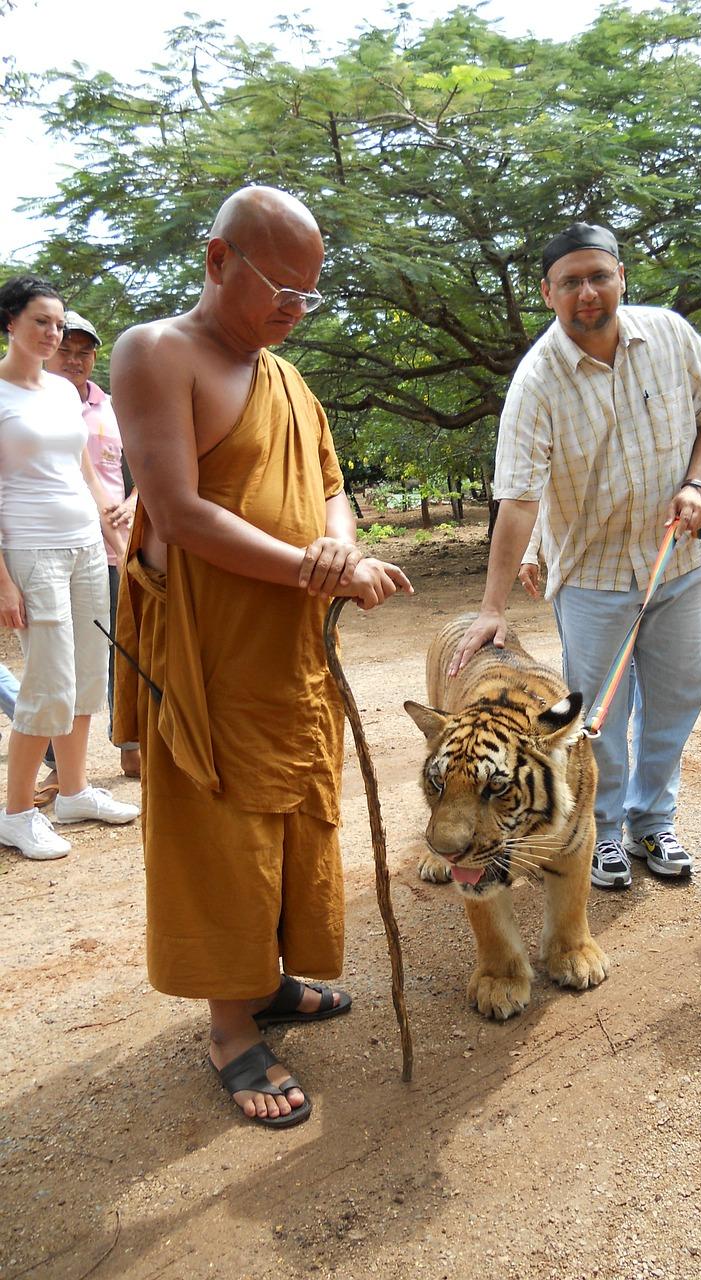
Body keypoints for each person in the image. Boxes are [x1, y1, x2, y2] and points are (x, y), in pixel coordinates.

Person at [110, 185, 413, 1129]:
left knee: (292, 811)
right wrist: (314, 573)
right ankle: (230, 1027)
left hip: (288, 647)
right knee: (225, 823)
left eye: (309, 293)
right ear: (216, 260)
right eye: (280, 284)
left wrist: (339, 547)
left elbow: (331, 489)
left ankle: (271, 979)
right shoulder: (157, 353)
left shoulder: (289, 381)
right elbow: (183, 512)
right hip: (210, 647)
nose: (293, 308)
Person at [449, 222, 701, 889]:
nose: (587, 293)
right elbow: (517, 499)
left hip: (676, 562)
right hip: (594, 578)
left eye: (599, 276)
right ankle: (603, 831)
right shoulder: (536, 383)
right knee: (596, 715)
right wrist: (492, 606)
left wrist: (697, 484)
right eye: (571, 281)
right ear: (548, 292)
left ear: (622, 278)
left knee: (677, 694)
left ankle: (653, 821)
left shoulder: (670, 335)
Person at [0, 275, 139, 861]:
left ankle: (76, 791)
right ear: (10, 323)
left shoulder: (60, 391)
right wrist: (3, 579)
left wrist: (110, 532)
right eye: (41, 322)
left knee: (87, 676)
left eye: (58, 324)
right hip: (30, 552)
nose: (53, 334)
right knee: (47, 684)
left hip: (85, 545)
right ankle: (16, 813)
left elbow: (84, 471)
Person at [46, 310, 140, 779]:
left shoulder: (110, 407)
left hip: (116, 548)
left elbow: (143, 465)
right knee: (66, 654)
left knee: (122, 650)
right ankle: (53, 758)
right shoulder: (37, 405)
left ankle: (129, 746)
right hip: (60, 545)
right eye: (66, 350)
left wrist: (136, 502)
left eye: (84, 352)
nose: (75, 359)